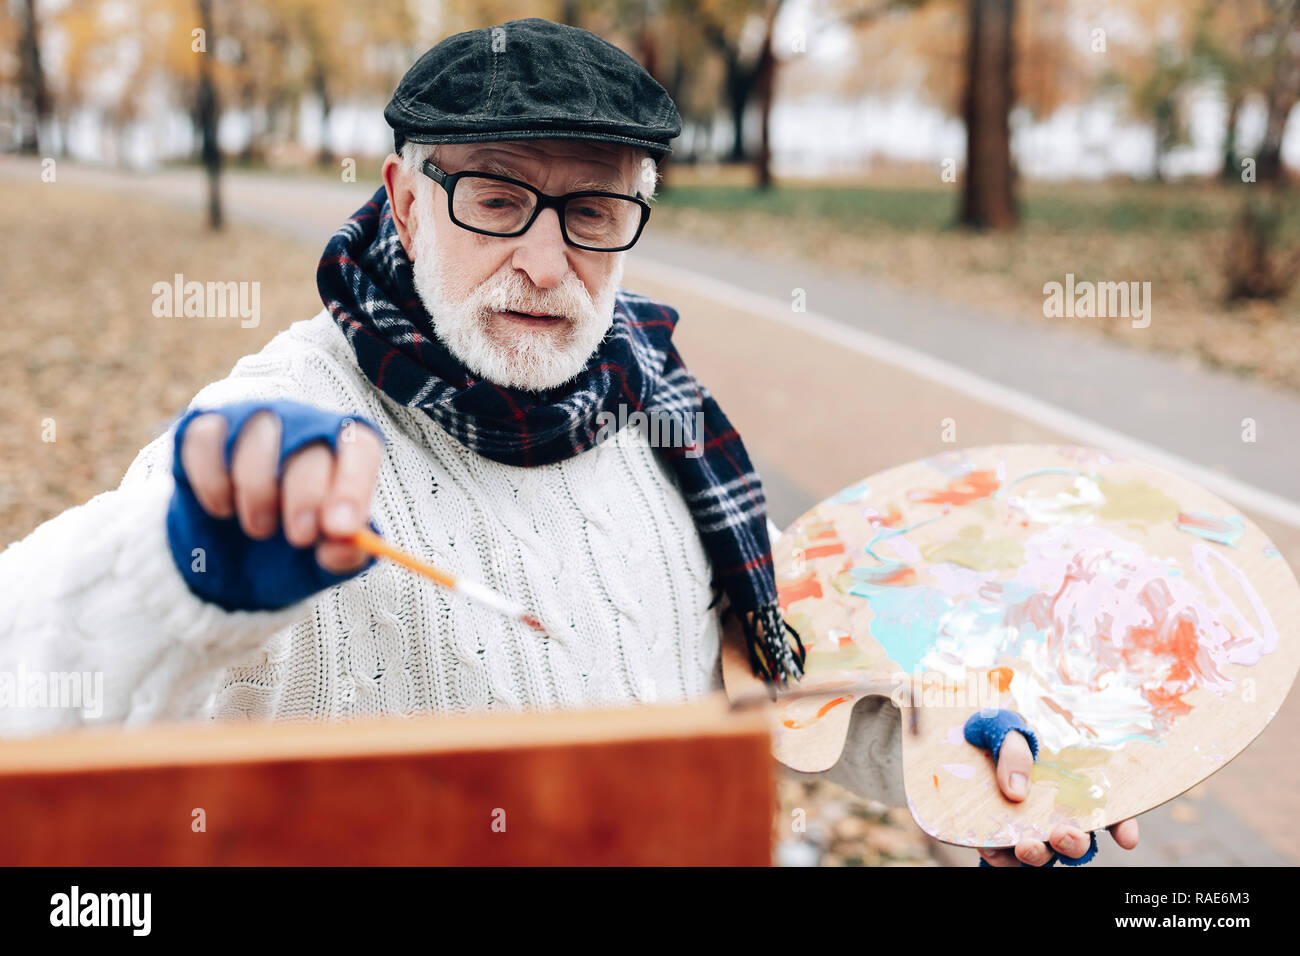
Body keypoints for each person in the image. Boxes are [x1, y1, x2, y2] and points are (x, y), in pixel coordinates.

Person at [0, 17, 1135, 866]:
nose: (546, 264)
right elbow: (38, 688)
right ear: (403, 200)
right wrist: (179, 575)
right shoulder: (285, 436)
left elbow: (779, 666)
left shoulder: (655, 399)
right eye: (496, 199)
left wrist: (968, 764)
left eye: (592, 212)